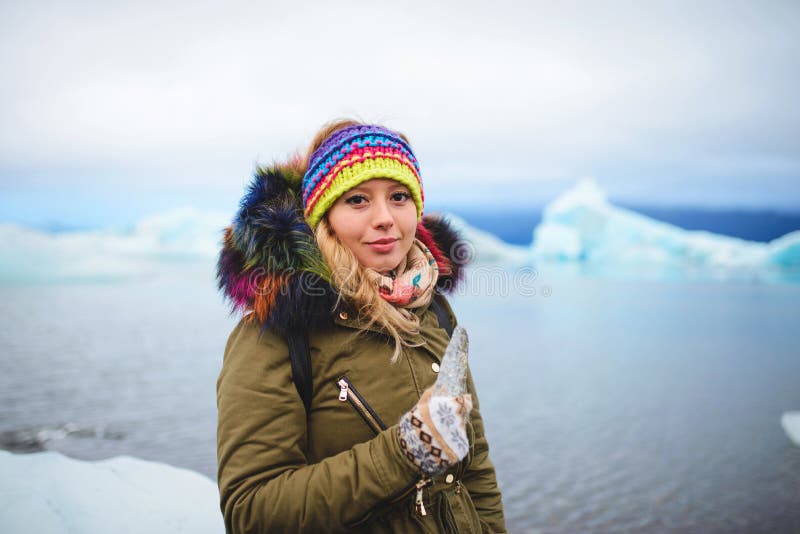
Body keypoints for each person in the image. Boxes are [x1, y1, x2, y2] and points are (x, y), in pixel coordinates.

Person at [216, 120, 506, 533]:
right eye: (357, 200)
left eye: (399, 196)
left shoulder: (432, 310)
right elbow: (252, 511)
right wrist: (405, 451)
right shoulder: (275, 335)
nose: (385, 218)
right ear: (325, 217)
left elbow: (473, 470)